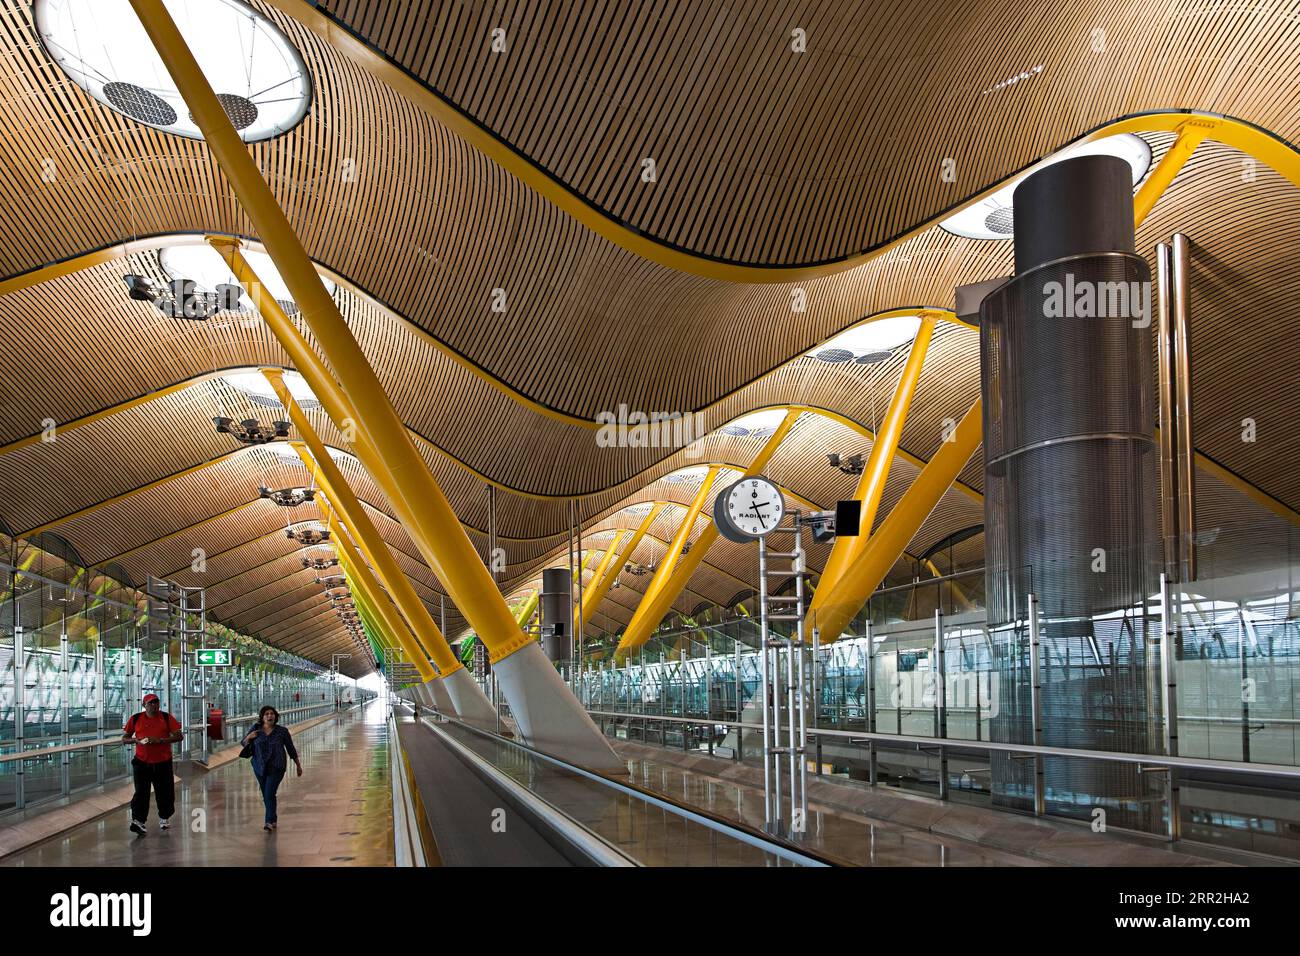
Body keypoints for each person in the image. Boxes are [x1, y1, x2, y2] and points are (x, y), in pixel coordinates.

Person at [121, 693, 183, 836]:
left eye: (156, 702)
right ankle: (138, 821)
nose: (154, 705)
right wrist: (136, 741)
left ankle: (164, 816)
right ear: (144, 705)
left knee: (165, 792)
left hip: (162, 762)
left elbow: (179, 736)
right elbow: (125, 738)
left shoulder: (166, 718)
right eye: (151, 703)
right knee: (141, 792)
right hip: (141, 762)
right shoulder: (136, 719)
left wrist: (160, 741)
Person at [240, 706, 302, 831]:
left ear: (275, 716)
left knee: (269, 793)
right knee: (267, 794)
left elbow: (291, 748)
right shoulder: (256, 730)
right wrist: (249, 737)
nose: (270, 716)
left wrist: (298, 765)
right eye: (267, 714)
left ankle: (268, 822)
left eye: (272, 714)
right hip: (259, 767)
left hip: (277, 767)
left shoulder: (282, 731)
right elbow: (243, 742)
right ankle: (273, 819)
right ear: (262, 717)